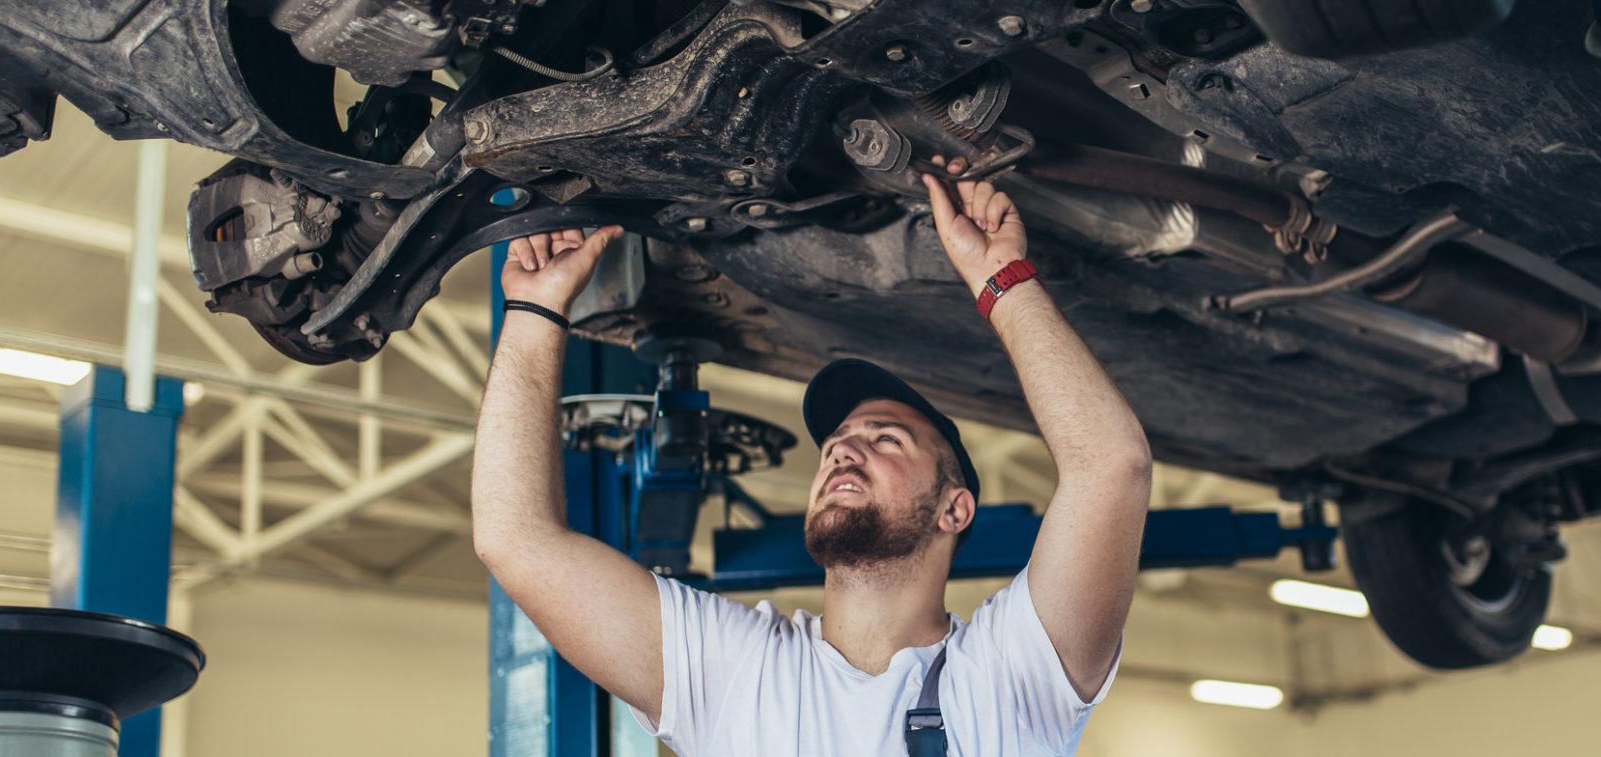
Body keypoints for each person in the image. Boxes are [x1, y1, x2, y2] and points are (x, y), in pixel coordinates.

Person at [471, 157, 1153, 756]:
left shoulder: (1013, 676)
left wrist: (1000, 278)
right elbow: (514, 539)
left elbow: (1111, 464)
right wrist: (534, 310)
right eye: (834, 444)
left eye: (886, 439)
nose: (843, 448)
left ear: (955, 508)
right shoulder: (732, 672)